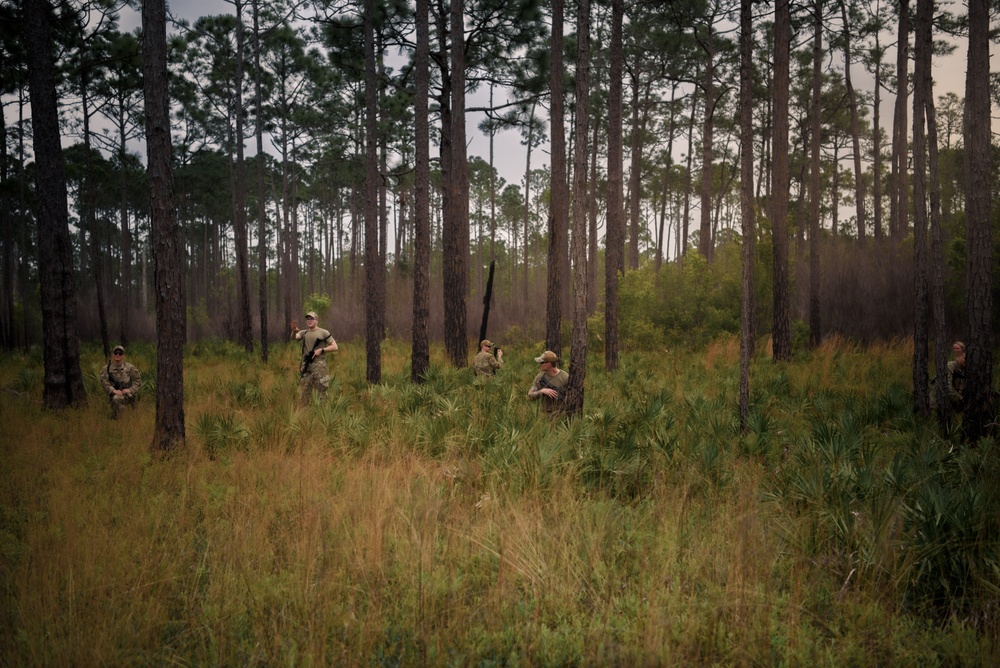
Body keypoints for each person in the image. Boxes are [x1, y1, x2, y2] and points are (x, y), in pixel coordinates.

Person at [290, 310, 338, 406]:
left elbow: (335, 347)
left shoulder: (323, 332)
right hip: (306, 365)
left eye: (312, 318)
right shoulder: (304, 332)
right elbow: (295, 337)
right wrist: (294, 331)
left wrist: (322, 350)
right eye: (307, 319)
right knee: (304, 392)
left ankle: (324, 412)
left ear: (317, 320)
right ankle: (305, 413)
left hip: (319, 364)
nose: (309, 320)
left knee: (321, 390)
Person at [99, 344, 141, 419]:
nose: (118, 355)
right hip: (114, 395)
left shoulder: (130, 367)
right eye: (116, 353)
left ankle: (122, 418)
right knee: (115, 398)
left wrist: (130, 390)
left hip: (128, 395)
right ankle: (123, 418)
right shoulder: (106, 369)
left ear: (123, 355)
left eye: (120, 353)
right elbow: (104, 381)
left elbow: (137, 380)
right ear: (112, 354)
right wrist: (114, 391)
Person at [528, 350, 569, 415]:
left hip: (561, 416)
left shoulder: (565, 377)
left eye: (541, 363)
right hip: (544, 415)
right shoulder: (540, 377)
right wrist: (541, 391)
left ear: (548, 364)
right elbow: (530, 395)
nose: (540, 365)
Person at [945, 341, 967, 411]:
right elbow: (948, 386)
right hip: (950, 399)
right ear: (958, 358)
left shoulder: (966, 369)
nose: (955, 350)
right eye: (954, 348)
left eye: (957, 348)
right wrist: (960, 398)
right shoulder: (951, 366)